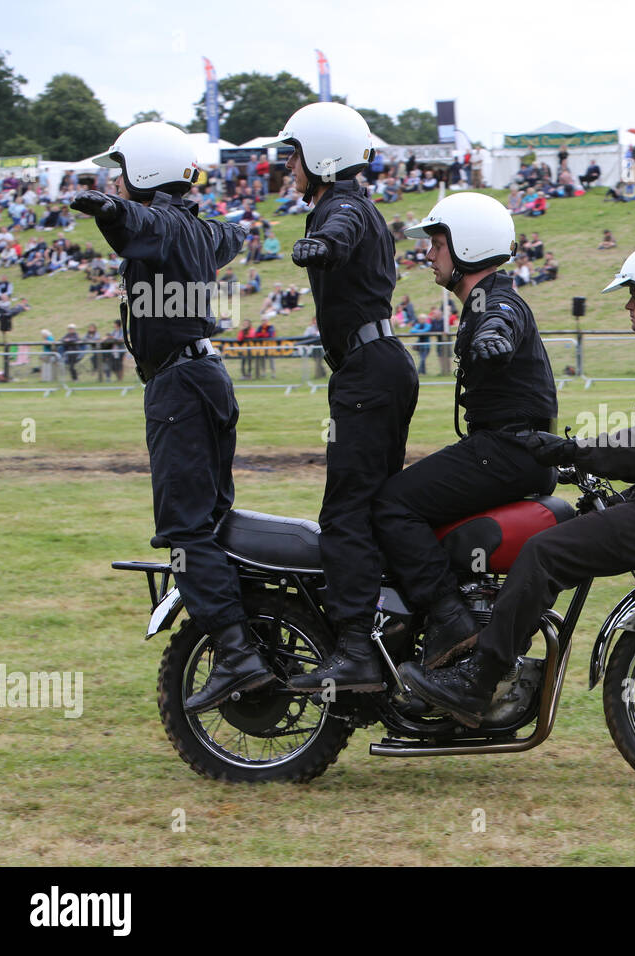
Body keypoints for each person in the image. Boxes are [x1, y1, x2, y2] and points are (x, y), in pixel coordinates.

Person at [398, 243, 635, 725]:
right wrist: (580, 462)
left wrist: (571, 450)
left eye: (634, 294)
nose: (628, 304)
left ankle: (478, 680)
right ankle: (500, 648)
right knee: (559, 533)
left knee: (542, 552)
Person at [70, 121, 266, 713]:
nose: (115, 183)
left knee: (185, 529)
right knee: (212, 519)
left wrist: (109, 209)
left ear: (145, 172)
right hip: (204, 379)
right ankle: (254, 628)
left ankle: (237, 652)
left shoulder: (162, 225)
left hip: (180, 388)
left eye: (121, 174)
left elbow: (140, 222)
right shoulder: (198, 231)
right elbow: (229, 234)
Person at [369, 192, 559, 672]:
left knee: (391, 503)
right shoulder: (479, 301)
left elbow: (504, 317)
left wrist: (493, 335)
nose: (428, 254)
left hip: (508, 450)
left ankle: (449, 617)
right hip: (513, 450)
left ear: (467, 246)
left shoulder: (494, 301)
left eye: (437, 244)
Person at [267, 103, 420, 695]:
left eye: (294, 155)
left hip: (368, 373)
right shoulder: (345, 204)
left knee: (345, 512)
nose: (289, 167)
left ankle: (356, 648)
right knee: (377, 503)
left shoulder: (344, 207)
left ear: (323, 157)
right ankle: (395, 620)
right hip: (375, 368)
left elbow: (342, 231)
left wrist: (321, 246)